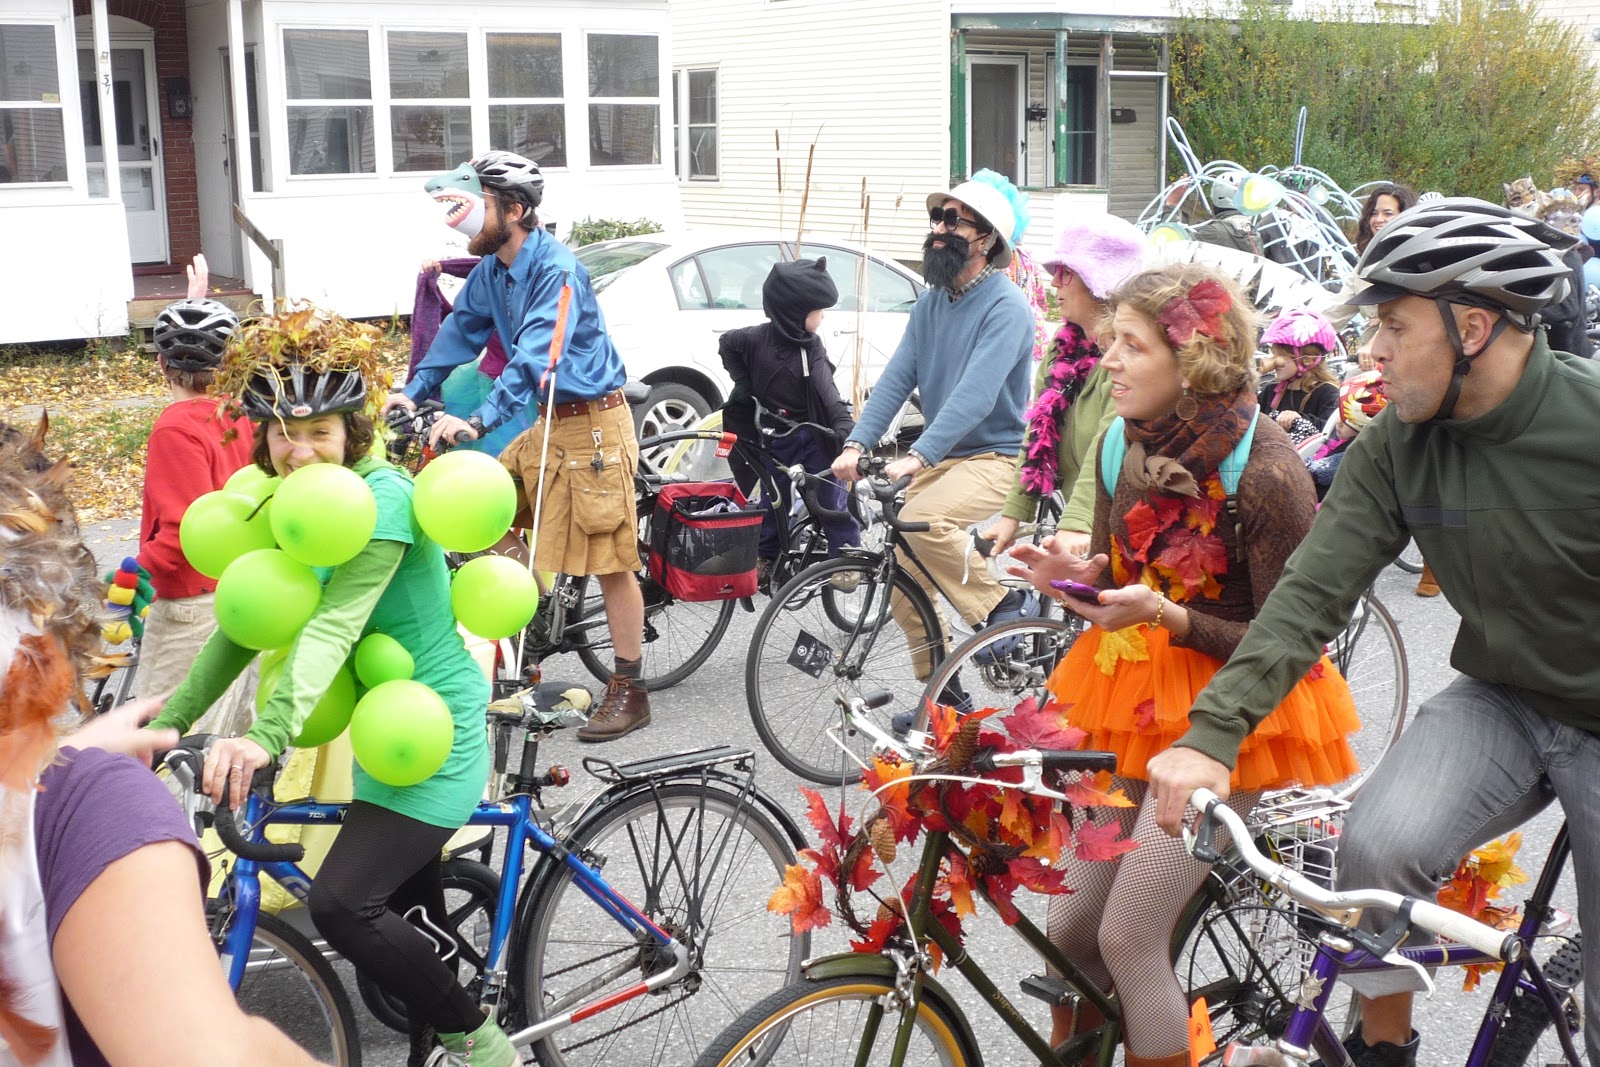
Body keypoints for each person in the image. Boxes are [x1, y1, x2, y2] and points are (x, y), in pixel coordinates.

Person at [1146, 198, 1597, 1067]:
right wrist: (1213, 735)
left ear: (1473, 326)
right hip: (1503, 696)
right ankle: (1383, 1052)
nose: (1372, 351)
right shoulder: (1397, 441)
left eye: (1393, 324)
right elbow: (1311, 591)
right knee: (1374, 851)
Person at [1004, 263, 1360, 1066]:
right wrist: (1065, 576)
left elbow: (1295, 641)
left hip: (1236, 711)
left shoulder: (1266, 470)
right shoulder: (1114, 440)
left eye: (1131, 346)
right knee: (1070, 930)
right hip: (1127, 693)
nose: (1110, 363)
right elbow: (1110, 571)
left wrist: (1170, 614)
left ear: (1191, 357)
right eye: (1111, 344)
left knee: (1130, 937)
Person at [150, 307, 517, 1067]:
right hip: (384, 730)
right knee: (408, 922)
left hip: (434, 728)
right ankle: (436, 1035)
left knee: (343, 904)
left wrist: (264, 732)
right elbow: (250, 620)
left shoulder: (376, 497)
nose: (300, 448)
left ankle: (482, 1043)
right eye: (284, 430)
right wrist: (168, 719)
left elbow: (334, 624)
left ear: (353, 430)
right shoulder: (280, 502)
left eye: (320, 430)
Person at [0, 418, 321, 1067]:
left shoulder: (185, 425)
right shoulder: (233, 420)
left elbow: (177, 534)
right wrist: (80, 795)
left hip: (202, 604)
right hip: (228, 603)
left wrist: (61, 771)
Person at [386, 151, 649, 741]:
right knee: (483, 512)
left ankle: (629, 689)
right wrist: (414, 391)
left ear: (515, 209)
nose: (461, 225)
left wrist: (477, 419)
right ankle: (535, 610)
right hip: (548, 425)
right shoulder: (493, 271)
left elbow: (535, 357)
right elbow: (460, 333)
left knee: (611, 562)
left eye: (476, 207)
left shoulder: (556, 270)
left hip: (595, 427)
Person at [829, 171, 1037, 681]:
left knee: (922, 517)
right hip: (947, 456)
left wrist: (917, 455)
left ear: (985, 239)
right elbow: (898, 378)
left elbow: (975, 396)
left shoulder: (1007, 307)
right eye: (936, 218)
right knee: (899, 565)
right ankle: (942, 695)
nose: (939, 229)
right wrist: (856, 442)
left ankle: (1004, 602)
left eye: (953, 220)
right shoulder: (930, 304)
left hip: (997, 455)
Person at [135, 254, 259, 734]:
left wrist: (128, 579)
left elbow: (181, 532)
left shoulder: (175, 428)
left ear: (161, 362)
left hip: (191, 602)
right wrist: (197, 305)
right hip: (245, 591)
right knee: (228, 736)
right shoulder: (243, 412)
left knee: (161, 737)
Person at [987, 211, 1149, 559]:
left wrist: (1075, 522)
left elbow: (1111, 439)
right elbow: (1036, 432)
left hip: (1126, 515)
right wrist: (1013, 515)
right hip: (1084, 514)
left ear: (1099, 281)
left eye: (1065, 273)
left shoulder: (1125, 357)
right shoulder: (1062, 349)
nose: (1054, 283)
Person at [720, 257, 861, 583]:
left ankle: (847, 558)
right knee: (773, 500)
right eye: (818, 311)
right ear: (794, 312)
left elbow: (828, 393)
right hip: (775, 436)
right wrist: (743, 382)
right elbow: (726, 343)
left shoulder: (810, 348)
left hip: (813, 436)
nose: (823, 317)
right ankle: (766, 556)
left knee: (829, 498)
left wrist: (845, 427)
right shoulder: (754, 338)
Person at [1257, 307, 1341, 442]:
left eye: (1281, 355)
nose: (1274, 360)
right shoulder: (1271, 390)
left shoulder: (1327, 393)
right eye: (1274, 354)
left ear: (1308, 360)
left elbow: (1332, 430)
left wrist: (1299, 419)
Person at [1305, 368, 1388, 499]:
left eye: (1345, 420)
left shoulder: (1353, 455)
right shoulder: (1339, 441)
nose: (1338, 422)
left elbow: (1319, 470)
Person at [1354, 183, 1417, 253]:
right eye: (1374, 213)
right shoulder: (1368, 255)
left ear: (1405, 216)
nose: (1378, 219)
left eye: (1388, 214)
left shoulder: (1416, 254)